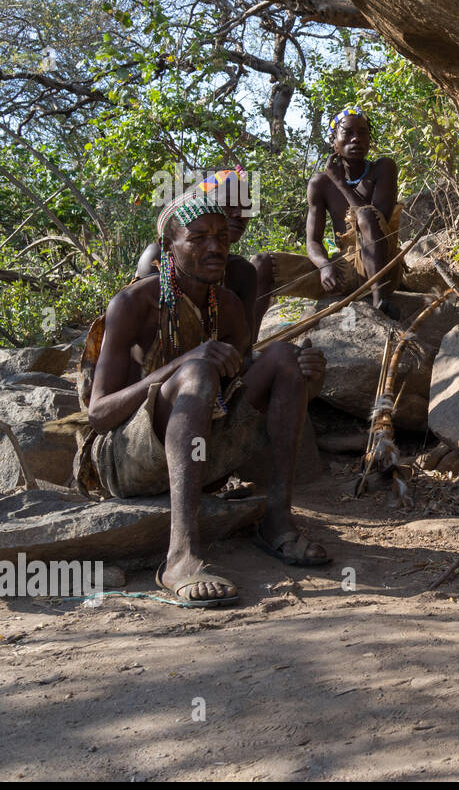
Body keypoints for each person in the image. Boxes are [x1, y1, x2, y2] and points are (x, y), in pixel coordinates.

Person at [86, 188, 330, 607]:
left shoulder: (230, 306)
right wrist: (183, 364)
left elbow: (244, 383)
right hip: (127, 458)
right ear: (168, 247)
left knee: (286, 358)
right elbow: (98, 414)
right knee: (197, 371)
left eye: (221, 236)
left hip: (201, 451)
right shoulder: (132, 304)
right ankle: (180, 555)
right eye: (198, 238)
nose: (215, 247)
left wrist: (309, 378)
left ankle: (276, 520)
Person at [251, 106, 403, 323]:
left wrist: (340, 183)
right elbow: (313, 241)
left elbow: (376, 223)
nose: (356, 139)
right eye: (348, 133)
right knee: (261, 263)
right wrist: (325, 267)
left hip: (381, 268)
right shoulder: (320, 183)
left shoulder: (383, 168)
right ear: (333, 140)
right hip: (344, 271)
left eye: (362, 133)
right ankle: (247, 349)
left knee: (366, 215)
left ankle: (379, 303)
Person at [135, 170, 264, 342]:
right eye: (229, 203)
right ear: (202, 205)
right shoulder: (158, 258)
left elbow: (244, 349)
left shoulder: (242, 273)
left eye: (246, 207)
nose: (239, 214)